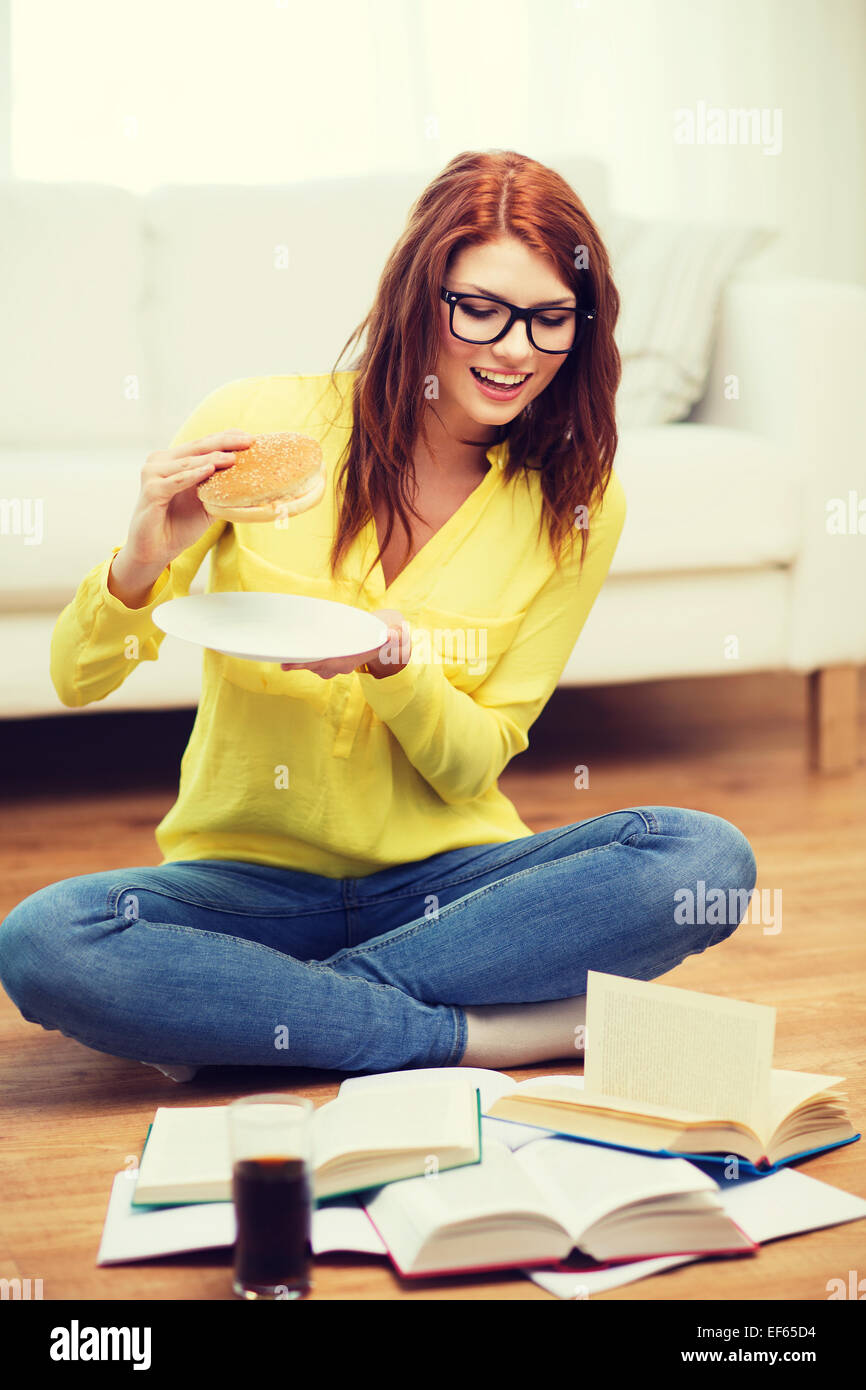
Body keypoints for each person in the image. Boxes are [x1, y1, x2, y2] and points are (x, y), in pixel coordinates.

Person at [0, 150, 756, 1082]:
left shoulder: (577, 502)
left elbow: (479, 755)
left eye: (550, 318)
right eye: (480, 307)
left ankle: (260, 1008)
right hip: (244, 884)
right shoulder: (261, 425)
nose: (516, 348)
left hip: (451, 887)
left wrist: (400, 674)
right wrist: (143, 557)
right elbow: (78, 679)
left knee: (704, 861)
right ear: (418, 294)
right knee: (45, 941)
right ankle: (473, 1036)